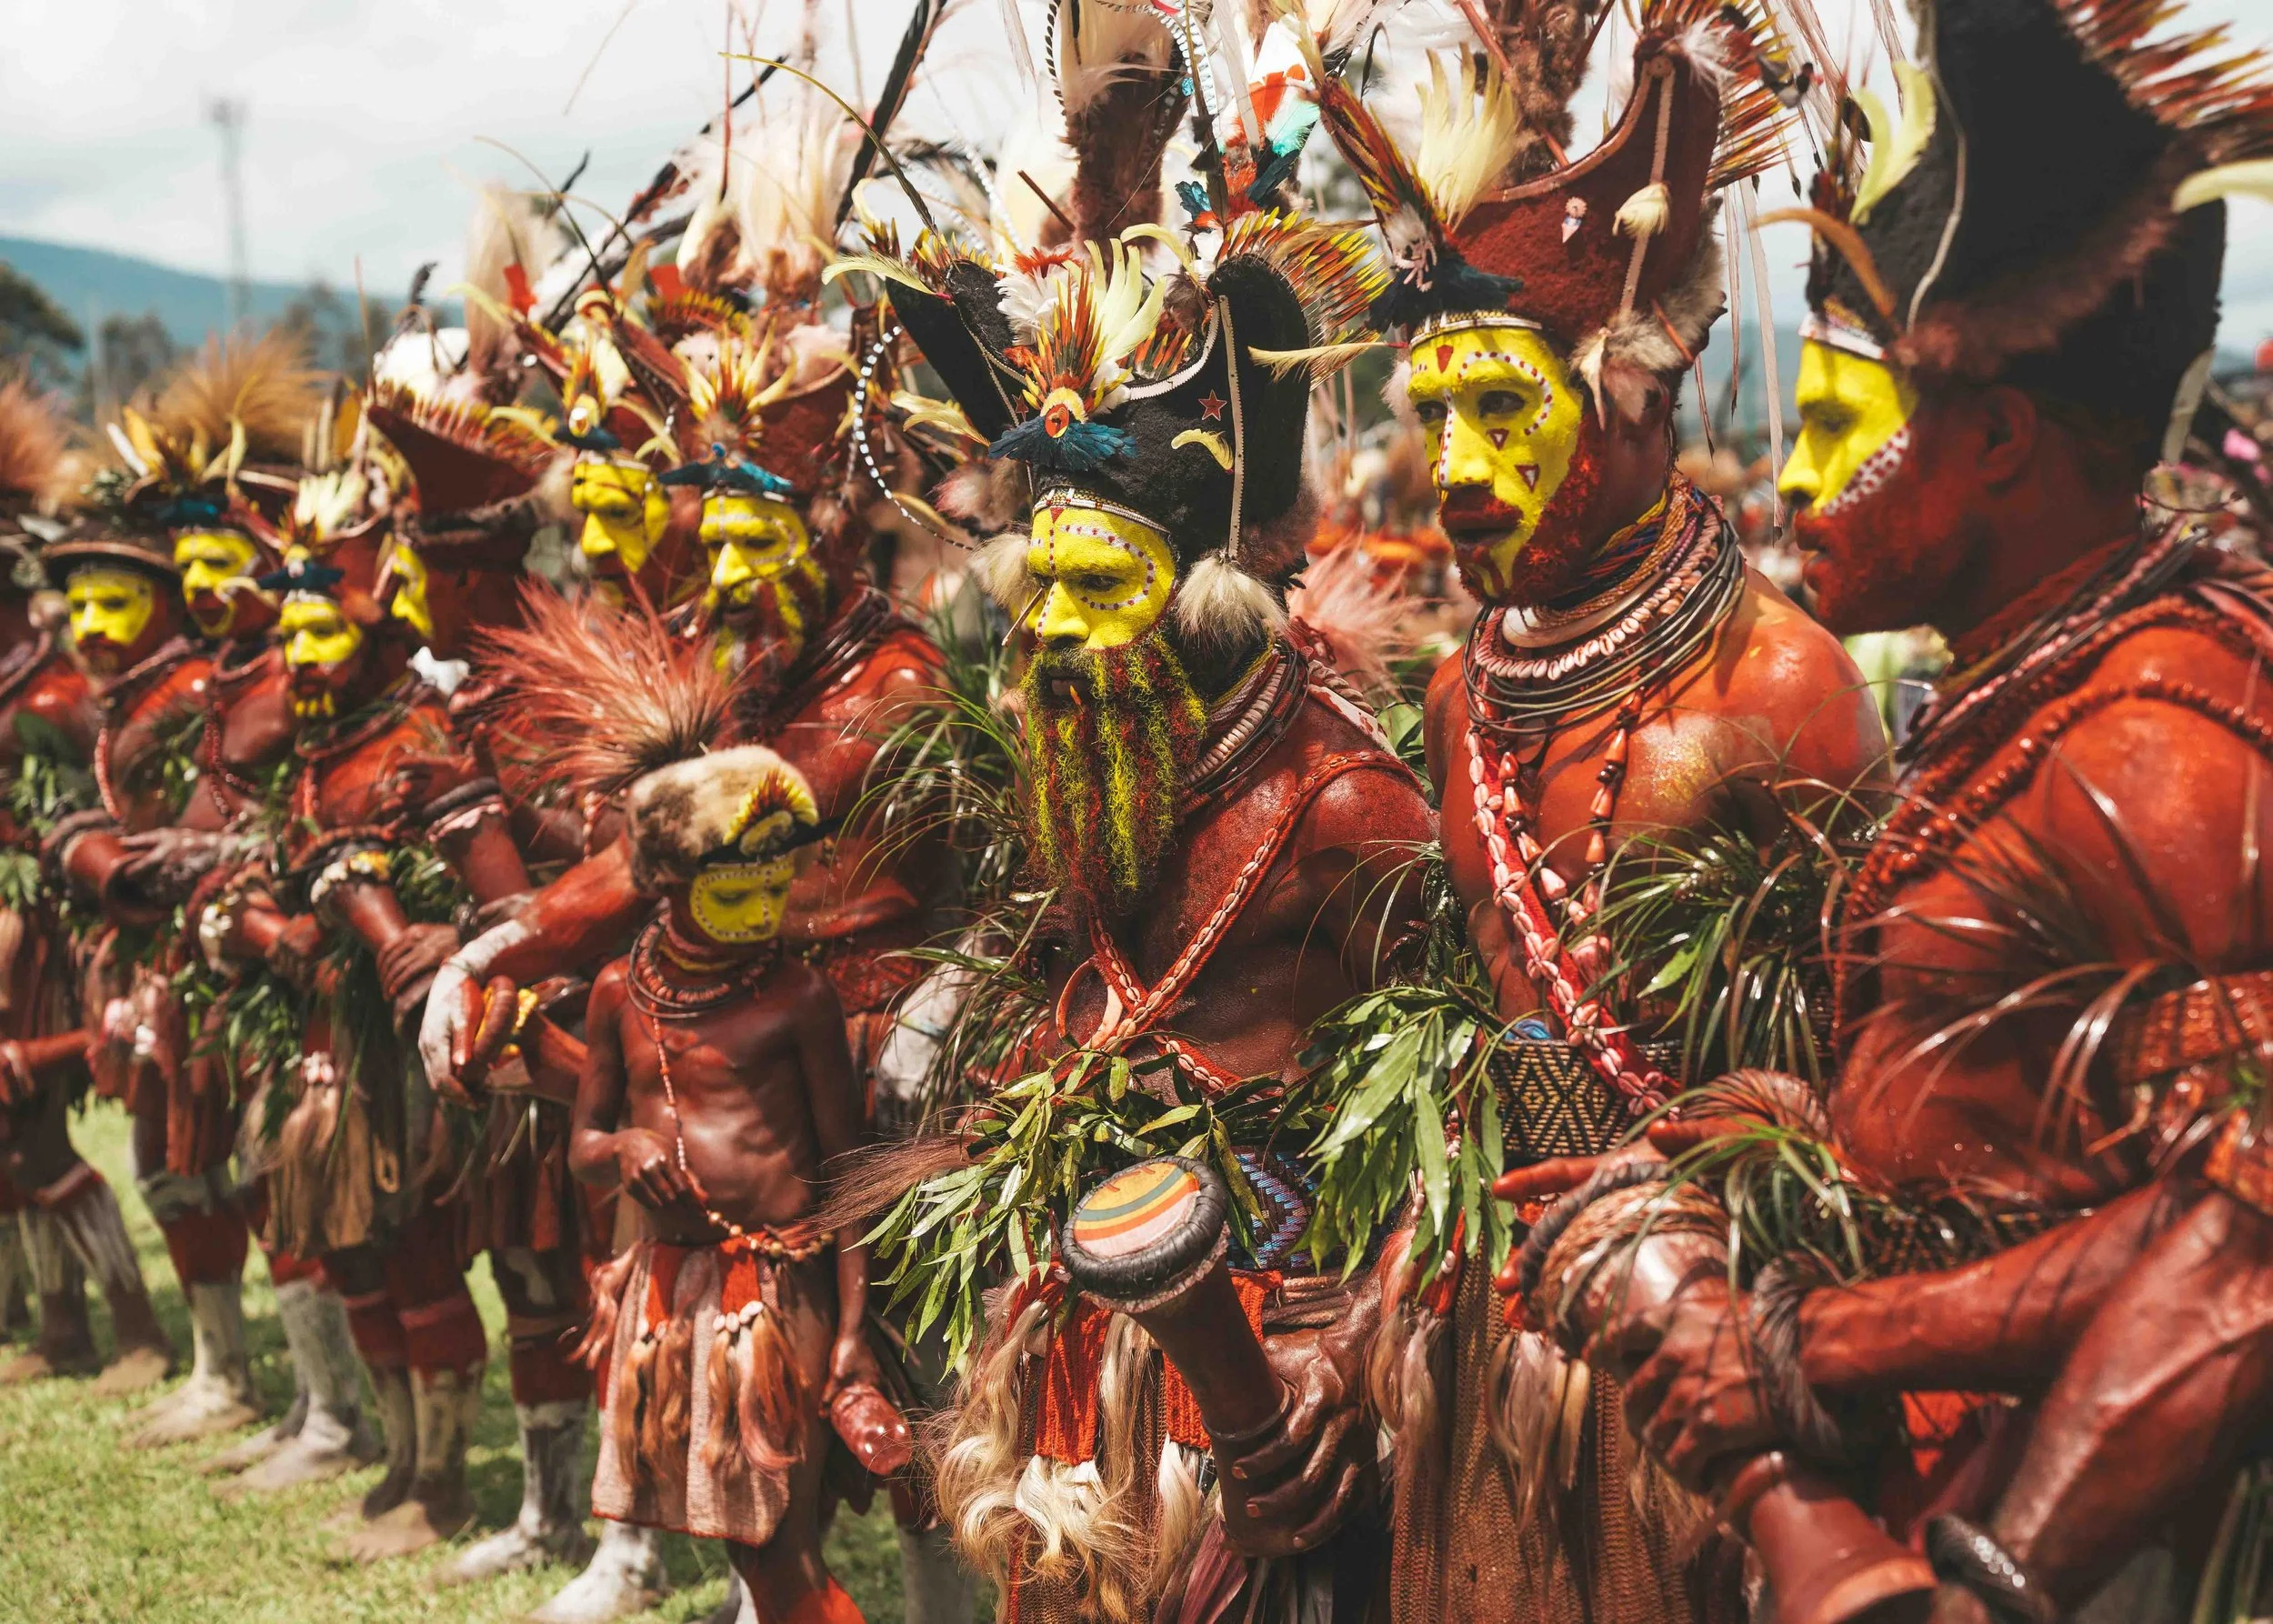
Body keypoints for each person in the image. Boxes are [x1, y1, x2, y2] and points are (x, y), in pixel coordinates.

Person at [1505, 1, 2273, 1618]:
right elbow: (2047, 1114)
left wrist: (1810, 1343)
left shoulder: (2159, 747)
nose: (1793, 486)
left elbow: (2246, 1240)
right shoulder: (2054, 683)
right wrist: (1802, 1127)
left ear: (1996, 441)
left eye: (1857, 433)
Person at [1290, 4, 1888, 1617]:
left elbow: (1892, 1060)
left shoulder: (1782, 689)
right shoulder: (1456, 698)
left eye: (1508, 414)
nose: (1461, 471)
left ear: (1631, 394)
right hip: (1505, 1314)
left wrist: (1724, 1215)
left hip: (1737, 1337)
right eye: (1442, 420)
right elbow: (1488, 1016)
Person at [863, 10, 1437, 1610]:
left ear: (1194, 597)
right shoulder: (1089, 742)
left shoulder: (1339, 800)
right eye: (1031, 583)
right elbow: (1068, 923)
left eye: (1090, 583)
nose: (1042, 628)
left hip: (1269, 1365)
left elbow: (1478, 1077)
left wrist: (1364, 1327)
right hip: (1088, 1313)